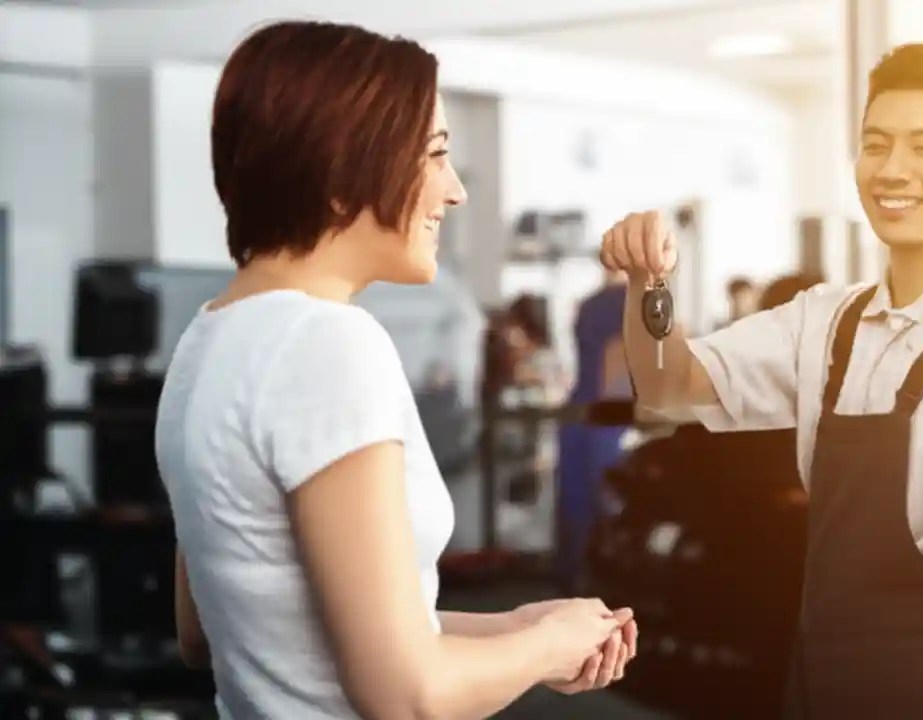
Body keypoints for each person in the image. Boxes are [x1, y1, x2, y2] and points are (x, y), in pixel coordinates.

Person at [599, 42, 923, 719]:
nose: (893, 169)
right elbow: (669, 386)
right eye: (876, 144)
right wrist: (650, 280)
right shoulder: (826, 321)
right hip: (825, 681)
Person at [155, 20, 636, 720]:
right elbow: (407, 696)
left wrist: (519, 629)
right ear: (346, 169)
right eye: (436, 154)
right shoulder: (328, 346)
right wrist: (544, 650)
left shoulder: (205, 343)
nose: (454, 191)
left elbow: (216, 631)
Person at [555, 269, 631, 592]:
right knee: (610, 502)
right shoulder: (632, 302)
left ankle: (572, 581)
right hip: (607, 414)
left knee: (576, 502)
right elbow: (616, 363)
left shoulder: (588, 305)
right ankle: (605, 588)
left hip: (578, 413)